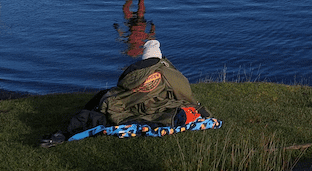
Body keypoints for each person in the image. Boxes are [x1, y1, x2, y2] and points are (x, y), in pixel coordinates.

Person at [40, 39, 210, 146]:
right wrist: (200, 108)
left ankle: (70, 130)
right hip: (154, 109)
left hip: (125, 109)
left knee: (101, 98)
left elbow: (120, 88)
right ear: (159, 57)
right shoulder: (168, 73)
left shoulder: (132, 73)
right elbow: (186, 92)